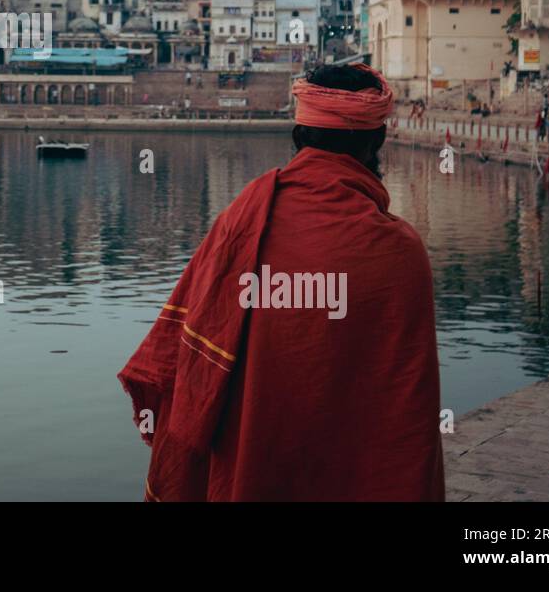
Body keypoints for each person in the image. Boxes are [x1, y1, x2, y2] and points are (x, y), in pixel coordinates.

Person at [118, 63, 443, 501]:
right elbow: (405, 415)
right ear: (378, 141)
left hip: (250, 465)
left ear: (299, 134)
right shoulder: (400, 252)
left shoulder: (243, 219)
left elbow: (184, 361)